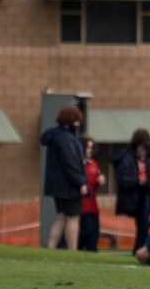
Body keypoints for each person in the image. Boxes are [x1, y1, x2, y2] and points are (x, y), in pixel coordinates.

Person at [41, 105, 88, 250]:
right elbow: (70, 163)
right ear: (72, 121)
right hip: (68, 187)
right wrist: (81, 181)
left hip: (58, 186)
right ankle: (72, 249)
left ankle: (51, 246)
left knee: (61, 217)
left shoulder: (55, 136)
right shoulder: (67, 139)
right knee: (73, 219)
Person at [112, 128, 150, 253]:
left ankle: (139, 249)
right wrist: (139, 181)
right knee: (143, 224)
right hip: (135, 197)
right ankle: (139, 249)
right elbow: (123, 180)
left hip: (142, 196)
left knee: (144, 224)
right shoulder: (127, 159)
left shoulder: (142, 159)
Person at [78, 138, 106, 252]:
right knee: (86, 231)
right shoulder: (78, 164)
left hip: (93, 206)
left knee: (94, 232)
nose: (89, 150)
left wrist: (101, 180)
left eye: (91, 147)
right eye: (87, 147)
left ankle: (92, 252)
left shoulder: (94, 163)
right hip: (82, 206)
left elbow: (96, 180)